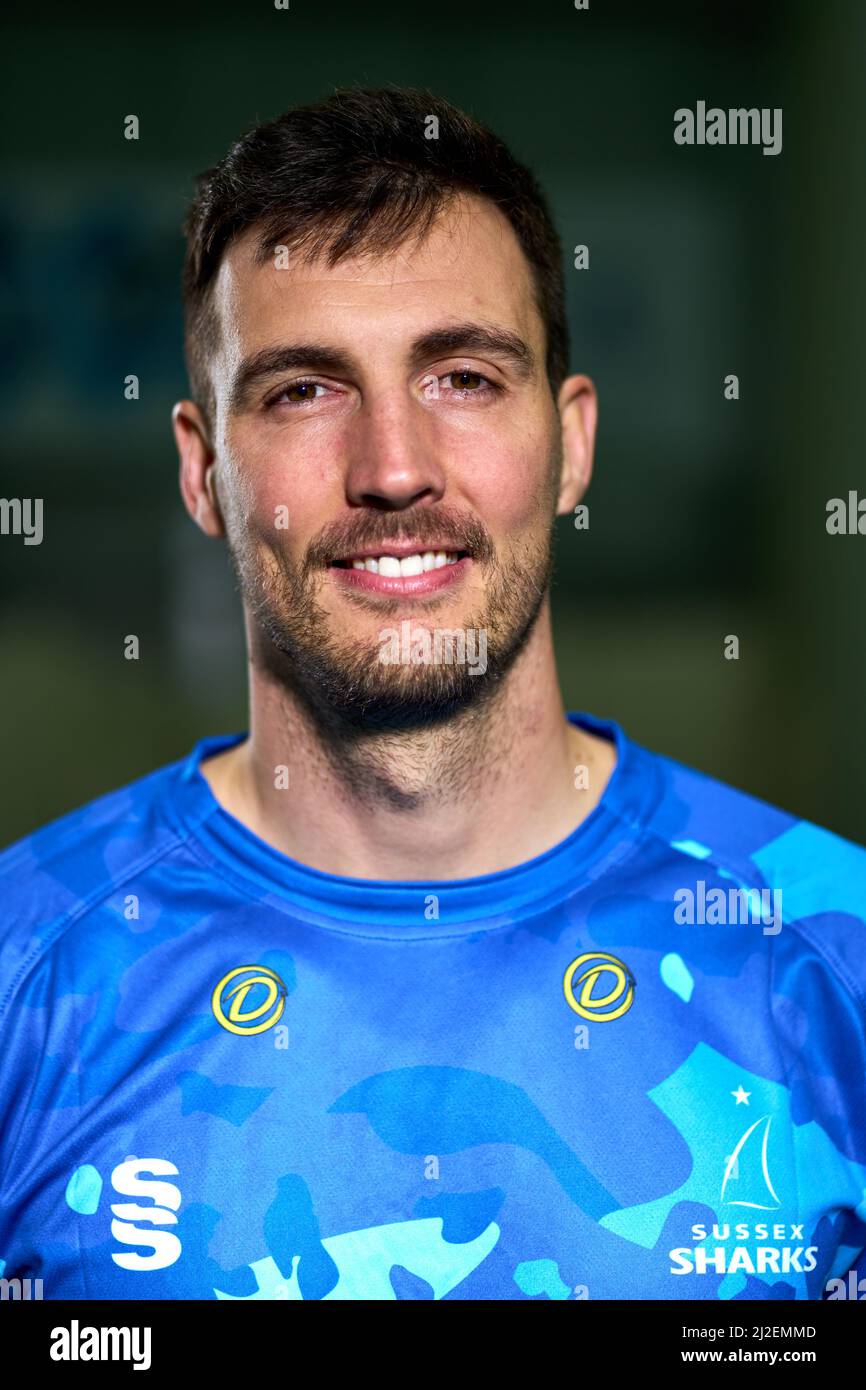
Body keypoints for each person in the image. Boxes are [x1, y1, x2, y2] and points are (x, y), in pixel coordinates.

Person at [0, 87, 864, 1303]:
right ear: (204, 473)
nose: (393, 468)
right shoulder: (29, 974)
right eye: (304, 389)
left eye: (461, 375)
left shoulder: (826, 951)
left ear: (569, 445)